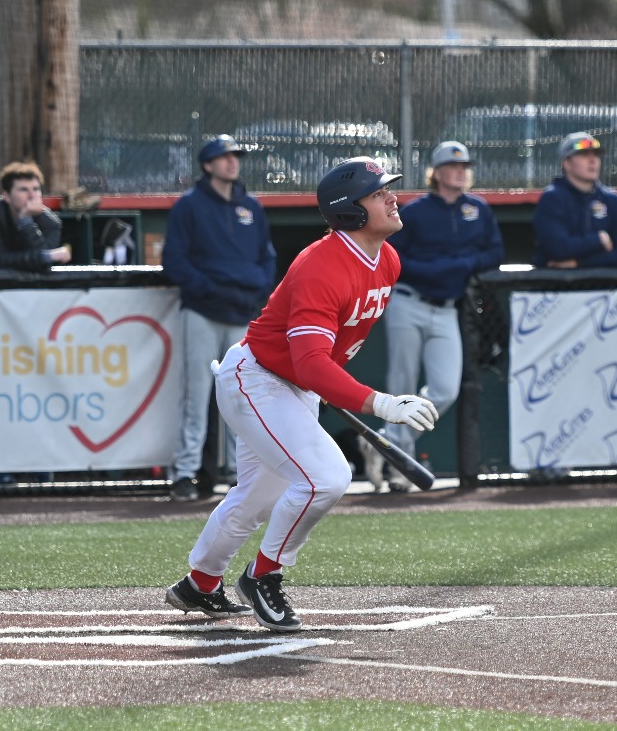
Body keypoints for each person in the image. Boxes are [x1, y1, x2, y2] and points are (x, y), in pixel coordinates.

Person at [164, 158, 437, 631]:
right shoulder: (320, 265)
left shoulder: (387, 260)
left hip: (292, 384)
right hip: (257, 379)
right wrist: (381, 403)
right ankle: (263, 576)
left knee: (258, 496)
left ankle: (200, 584)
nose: (393, 198)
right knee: (326, 478)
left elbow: (326, 354)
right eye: (378, 193)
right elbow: (310, 361)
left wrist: (328, 385)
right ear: (350, 210)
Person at [367, 141, 503, 491]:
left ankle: (384, 441)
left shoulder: (477, 209)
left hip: (447, 308)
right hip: (409, 302)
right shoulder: (416, 211)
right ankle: (400, 465)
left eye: (464, 166)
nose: (460, 171)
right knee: (402, 384)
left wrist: (462, 264)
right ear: (437, 173)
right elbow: (394, 257)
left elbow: (494, 252)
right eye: (453, 166)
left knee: (445, 389)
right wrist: (440, 269)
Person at [161, 135, 277, 503]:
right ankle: (185, 473)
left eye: (235, 156)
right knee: (196, 395)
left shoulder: (251, 206)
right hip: (202, 311)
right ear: (208, 164)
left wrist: (254, 292)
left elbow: (267, 258)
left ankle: (239, 473)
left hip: (241, 314)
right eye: (224, 157)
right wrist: (210, 289)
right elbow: (174, 260)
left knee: (240, 397)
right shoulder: (189, 205)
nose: (232, 162)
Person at [533, 132, 617, 268]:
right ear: (567, 163)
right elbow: (558, 248)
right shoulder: (552, 198)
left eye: (596, 155)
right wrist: (599, 239)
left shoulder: (612, 200)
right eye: (584, 155)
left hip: (604, 281)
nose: (593, 160)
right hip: (556, 280)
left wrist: (578, 263)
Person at [0, 160, 73, 270]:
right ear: (7, 196)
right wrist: (45, 257)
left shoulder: (51, 223)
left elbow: (44, 262)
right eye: (23, 189)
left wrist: (26, 223)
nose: (32, 196)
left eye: (36, 189)